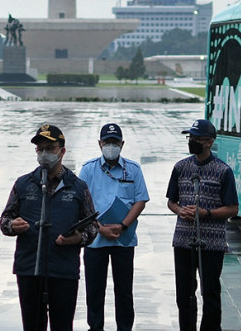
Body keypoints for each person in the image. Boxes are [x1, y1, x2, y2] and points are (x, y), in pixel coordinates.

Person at [0, 123, 99, 331]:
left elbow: (93, 228)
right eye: (40, 149)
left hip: (63, 270)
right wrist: (13, 225)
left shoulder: (78, 187)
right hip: (29, 269)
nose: (44, 153)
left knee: (62, 326)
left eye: (50, 148)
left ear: (62, 151)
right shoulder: (24, 184)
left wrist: (77, 239)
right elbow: (5, 220)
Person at [166, 118, 239, 331]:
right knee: (184, 294)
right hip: (183, 240)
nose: (193, 142)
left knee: (211, 293)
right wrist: (180, 210)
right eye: (191, 138)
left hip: (212, 242)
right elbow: (171, 201)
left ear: (209, 142)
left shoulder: (223, 171)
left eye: (198, 139)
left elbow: (233, 209)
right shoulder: (180, 168)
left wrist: (205, 213)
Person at [78, 123, 149, 331]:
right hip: (95, 239)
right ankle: (95, 327)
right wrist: (100, 229)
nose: (111, 146)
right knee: (94, 290)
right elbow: (81, 203)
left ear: (122, 144)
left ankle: (125, 328)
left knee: (124, 290)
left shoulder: (133, 169)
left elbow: (140, 200)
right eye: (107, 142)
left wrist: (123, 225)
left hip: (123, 239)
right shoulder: (89, 169)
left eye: (115, 142)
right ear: (100, 143)